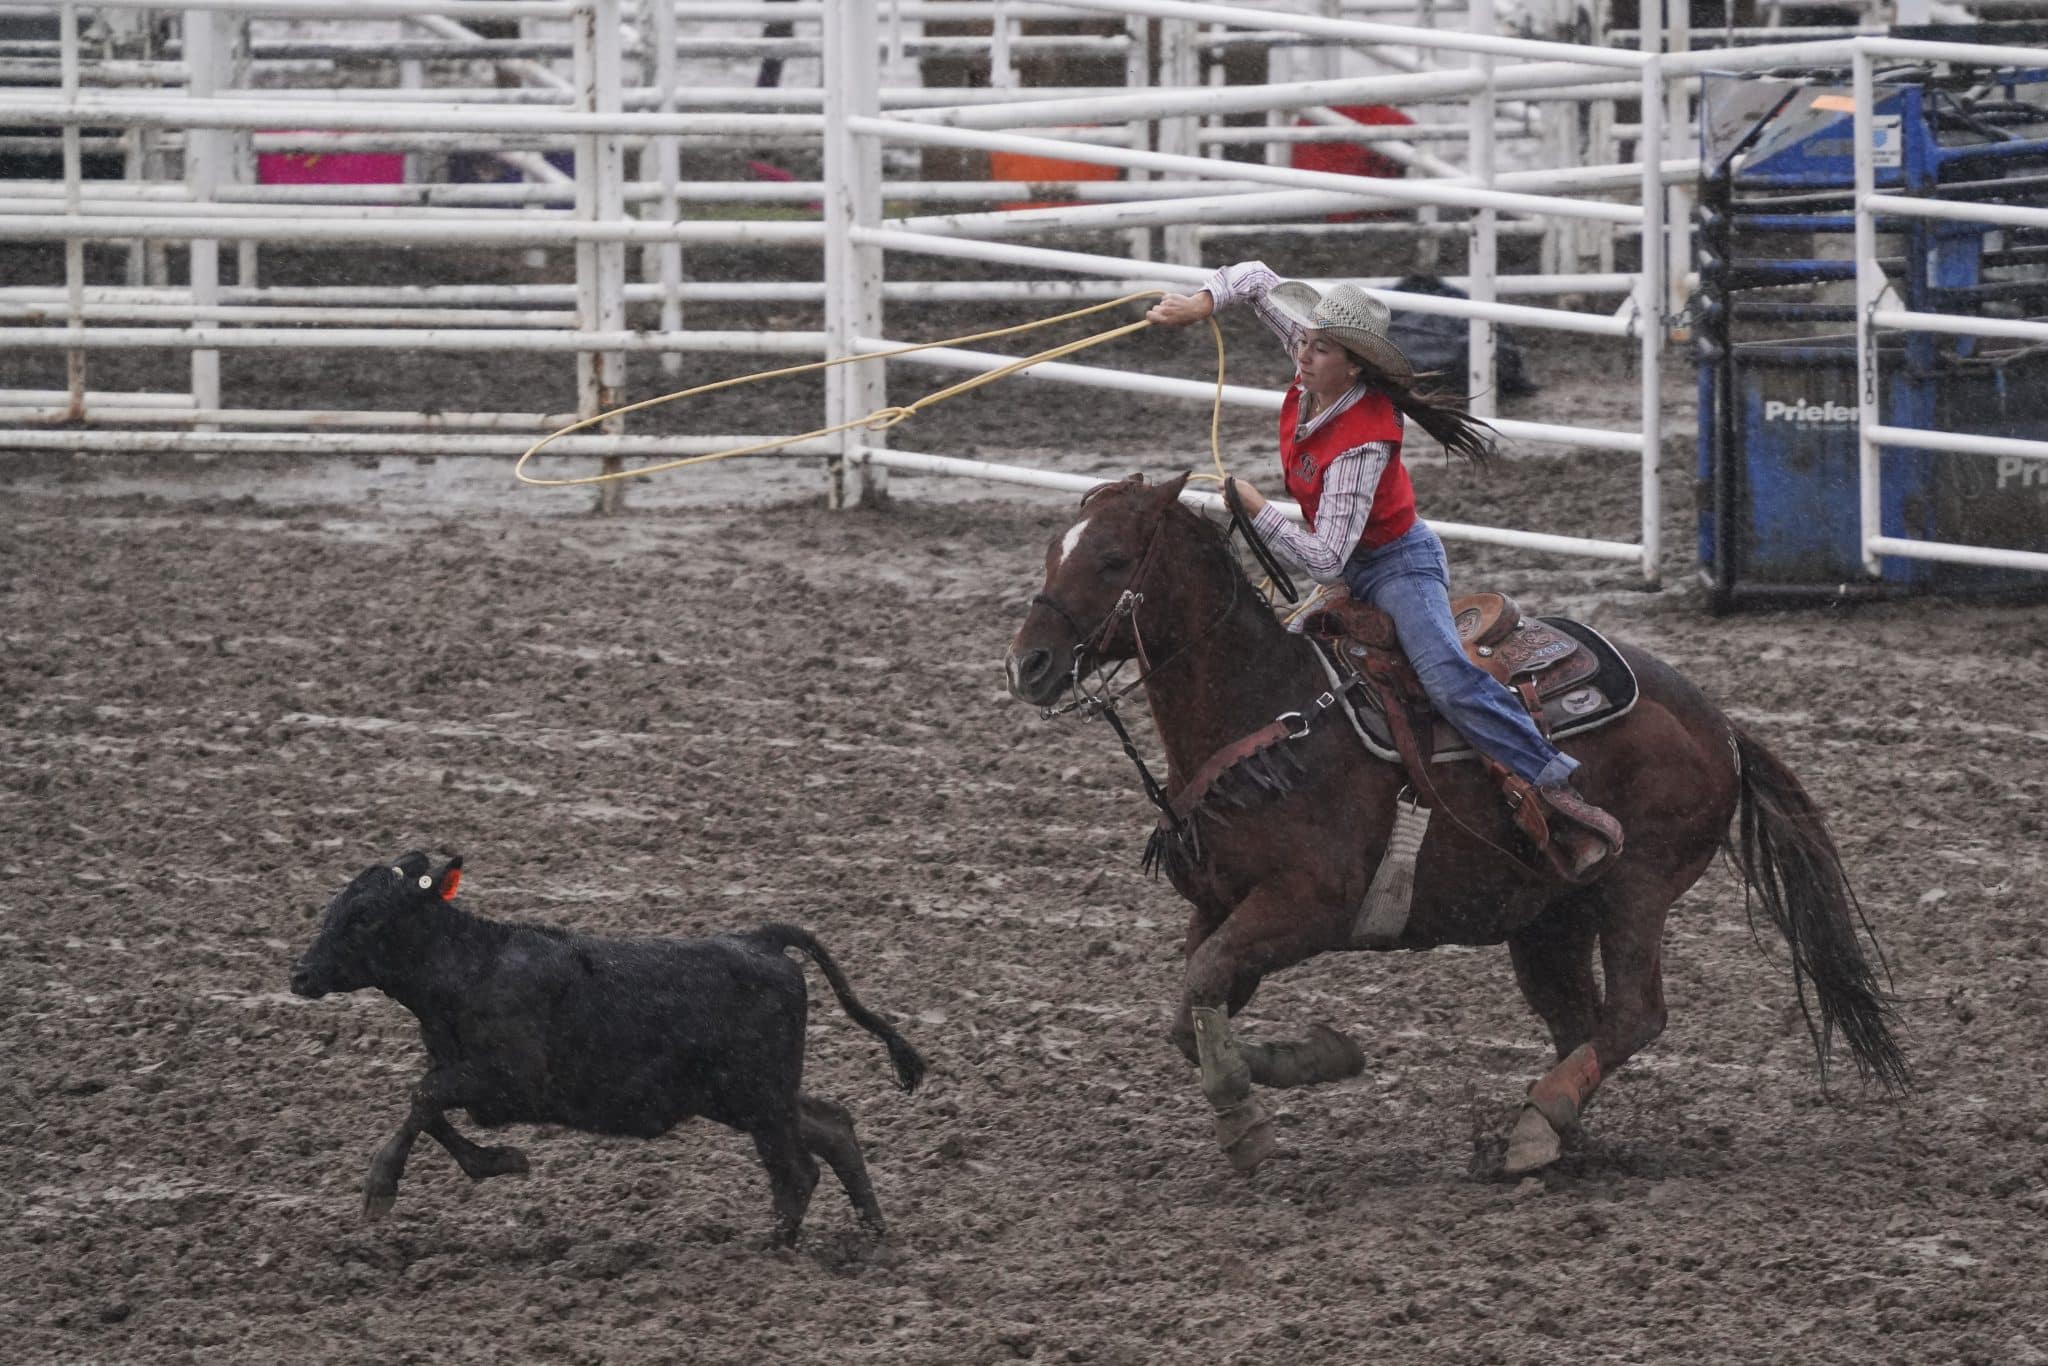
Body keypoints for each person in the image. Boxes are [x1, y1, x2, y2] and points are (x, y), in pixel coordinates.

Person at [1145, 261, 1623, 878]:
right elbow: (1259, 277)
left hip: (1397, 566)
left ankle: (1554, 783)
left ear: (1354, 365)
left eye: (1322, 348)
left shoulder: (1365, 438)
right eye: (1307, 340)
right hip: (1351, 561)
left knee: (1447, 676)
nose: (1305, 355)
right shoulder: (1316, 367)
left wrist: (1260, 511)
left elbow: (1326, 558)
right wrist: (1203, 302)